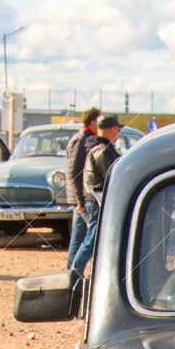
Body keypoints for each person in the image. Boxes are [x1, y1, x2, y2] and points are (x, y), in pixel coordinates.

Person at [69, 114, 122, 279]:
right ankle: (74, 274)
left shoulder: (100, 147)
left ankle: (81, 274)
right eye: (117, 128)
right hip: (96, 200)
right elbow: (110, 176)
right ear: (111, 129)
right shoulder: (102, 150)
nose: (119, 132)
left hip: (93, 199)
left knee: (91, 240)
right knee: (92, 240)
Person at [64, 107, 101, 269]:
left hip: (82, 197)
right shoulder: (82, 140)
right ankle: (75, 270)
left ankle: (72, 272)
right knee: (92, 237)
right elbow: (74, 172)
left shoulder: (88, 137)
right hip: (82, 198)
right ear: (92, 122)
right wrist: (79, 200)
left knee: (78, 238)